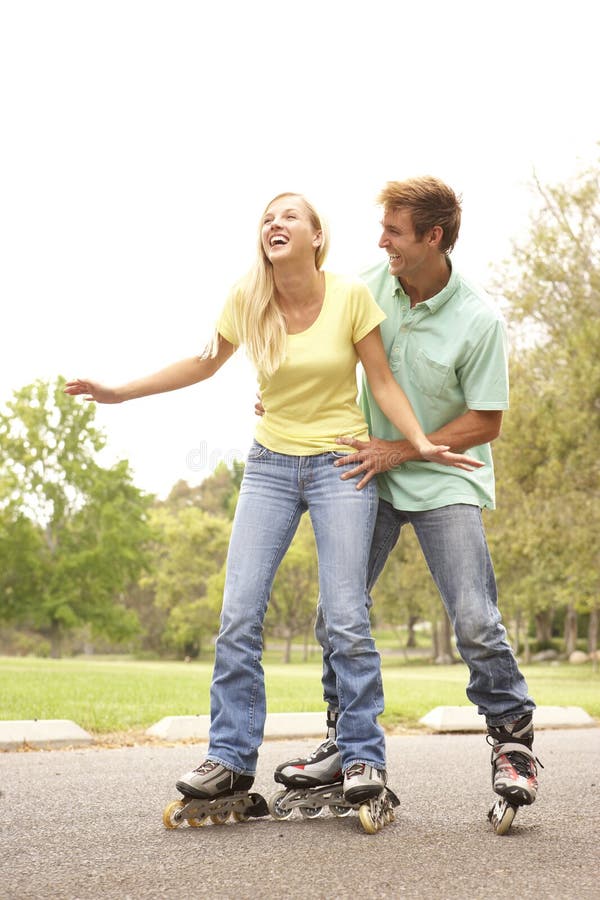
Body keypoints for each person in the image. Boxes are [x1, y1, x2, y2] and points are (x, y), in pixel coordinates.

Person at [64, 191, 480, 805]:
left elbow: (382, 381)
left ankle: (362, 758)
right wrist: (120, 392)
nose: (274, 223)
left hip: (341, 464)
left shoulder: (350, 296)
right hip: (270, 467)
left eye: (289, 216)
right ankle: (230, 758)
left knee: (346, 617)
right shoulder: (248, 297)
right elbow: (202, 363)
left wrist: (418, 442)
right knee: (238, 615)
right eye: (267, 218)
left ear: (317, 236)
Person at [274, 177, 540, 814]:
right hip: (371, 468)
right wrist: (284, 393)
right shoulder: (366, 287)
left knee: (474, 619)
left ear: (433, 237)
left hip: (445, 476)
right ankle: (345, 740)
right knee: (335, 611)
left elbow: (487, 421)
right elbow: (316, 344)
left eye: (394, 232)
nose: (382, 242)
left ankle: (512, 740)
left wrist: (403, 448)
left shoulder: (477, 320)